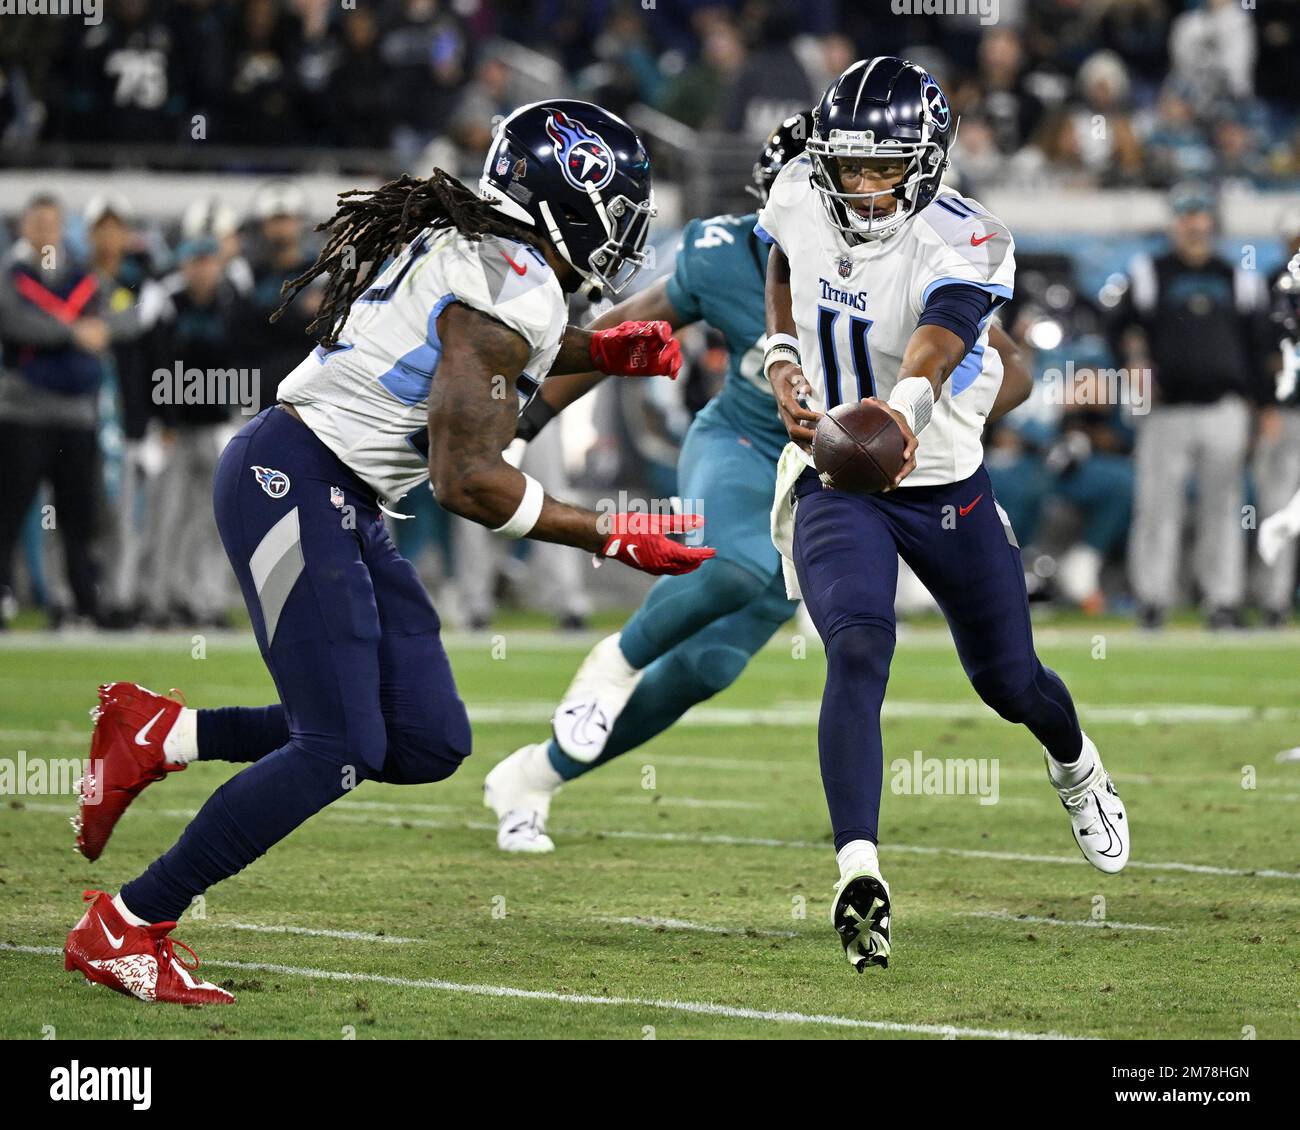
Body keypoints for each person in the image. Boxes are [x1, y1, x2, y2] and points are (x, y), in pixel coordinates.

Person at [64, 100, 711, 1006]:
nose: (629, 230)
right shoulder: (508, 287)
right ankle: (128, 924)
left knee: (424, 739)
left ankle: (163, 734)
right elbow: (468, 480)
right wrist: (607, 531)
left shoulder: (485, 249)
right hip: (294, 480)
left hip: (339, 489)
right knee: (337, 745)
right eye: (623, 205)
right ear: (573, 195)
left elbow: (485, 353)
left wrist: (593, 348)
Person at [483, 112, 1033, 854]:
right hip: (744, 443)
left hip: (829, 487)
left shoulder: (908, 262)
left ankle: (532, 779)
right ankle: (610, 661)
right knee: (738, 564)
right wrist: (521, 426)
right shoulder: (724, 254)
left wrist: (920, 426)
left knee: (707, 667)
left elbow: (1016, 374)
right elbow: (619, 342)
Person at [760, 59, 1130, 972]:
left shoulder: (966, 238)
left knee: (1010, 682)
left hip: (942, 475)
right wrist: (779, 359)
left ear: (925, 164)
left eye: (885, 169)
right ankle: (859, 873)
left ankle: (1076, 764)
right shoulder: (800, 191)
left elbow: (943, 335)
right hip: (835, 478)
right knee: (856, 644)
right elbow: (779, 256)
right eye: (850, 166)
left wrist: (902, 412)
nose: (863, 186)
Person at [1112, 184, 1273, 629]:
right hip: (1165, 411)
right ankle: (1152, 599)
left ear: (1212, 222)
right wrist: (1134, 364)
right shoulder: (1148, 272)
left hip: (1225, 407)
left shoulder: (1238, 276)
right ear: (1174, 223)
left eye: (1200, 215)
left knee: (1223, 507)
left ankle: (1222, 601)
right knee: (1157, 507)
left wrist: (1263, 407)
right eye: (1185, 215)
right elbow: (1120, 331)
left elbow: (1258, 348)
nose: (1193, 224)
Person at [0, 194, 111, 627]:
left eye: (54, 222)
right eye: (39, 222)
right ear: (25, 227)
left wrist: (81, 331)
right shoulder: (12, 274)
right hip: (24, 412)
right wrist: (72, 331)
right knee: (11, 509)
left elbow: (114, 320)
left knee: (78, 515)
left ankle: (81, 602)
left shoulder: (82, 274)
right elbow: (14, 321)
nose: (47, 230)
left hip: (76, 415)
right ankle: (6, 593)